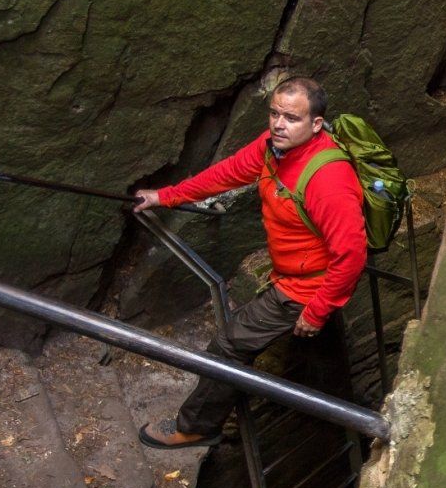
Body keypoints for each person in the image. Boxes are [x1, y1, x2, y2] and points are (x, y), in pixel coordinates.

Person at [133, 77, 367, 449]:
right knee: (319, 355)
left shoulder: (328, 180)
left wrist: (317, 309)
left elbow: (352, 254)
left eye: (291, 117)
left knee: (228, 346)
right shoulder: (273, 148)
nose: (278, 124)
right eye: (274, 113)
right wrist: (167, 196)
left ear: (316, 125)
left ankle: (196, 427)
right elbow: (227, 173)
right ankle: (338, 415)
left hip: (303, 289)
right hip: (293, 274)